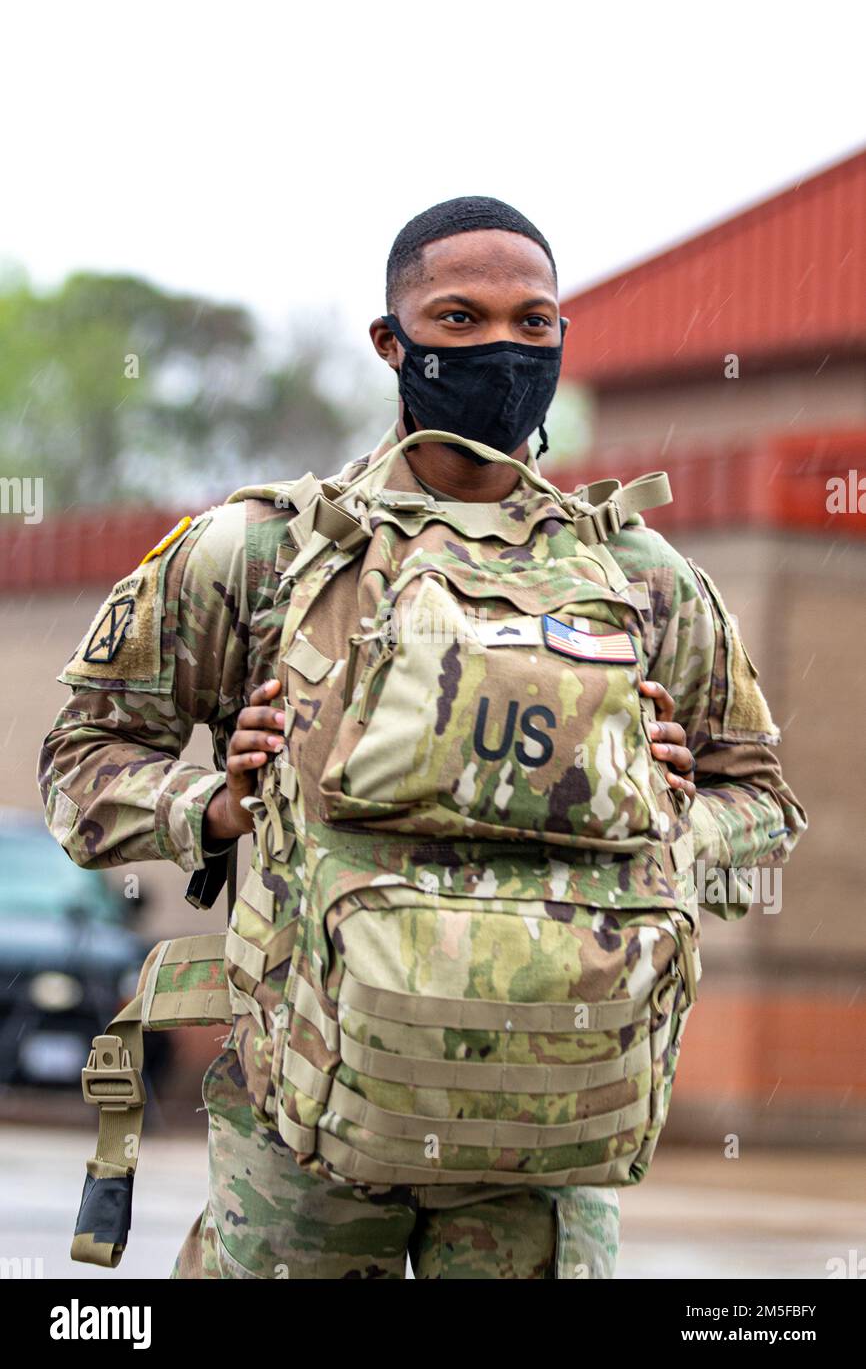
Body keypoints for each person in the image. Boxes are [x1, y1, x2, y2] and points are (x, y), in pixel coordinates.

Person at [39, 196, 806, 1279]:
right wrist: (209, 802)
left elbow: (762, 798)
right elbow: (80, 755)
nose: (502, 347)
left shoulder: (636, 579)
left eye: (533, 322)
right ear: (390, 344)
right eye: (460, 318)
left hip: (543, 1140)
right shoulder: (263, 554)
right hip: (304, 1133)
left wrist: (677, 820)